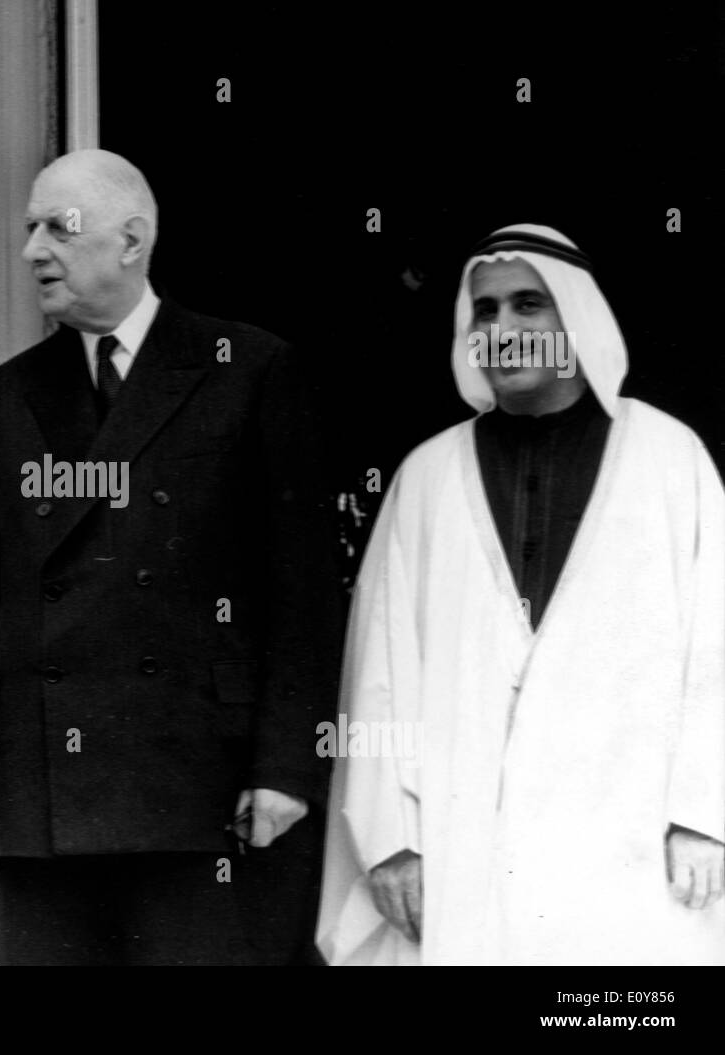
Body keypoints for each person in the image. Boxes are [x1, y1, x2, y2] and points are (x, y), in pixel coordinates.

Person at [0, 149, 341, 965]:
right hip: (44, 799)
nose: (32, 251)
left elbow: (302, 591)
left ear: (131, 239)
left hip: (205, 790)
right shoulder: (3, 397)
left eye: (58, 227)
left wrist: (286, 766)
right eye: (27, 230)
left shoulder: (248, 370)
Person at [317, 224, 725, 966]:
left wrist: (704, 813)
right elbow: (377, 673)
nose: (502, 328)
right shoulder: (428, 476)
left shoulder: (671, 459)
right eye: (485, 310)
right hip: (459, 843)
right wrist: (389, 840)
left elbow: (717, 650)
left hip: (632, 844)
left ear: (578, 317)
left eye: (527, 305)